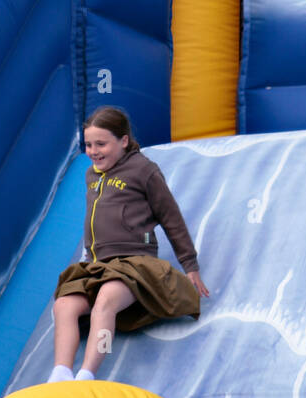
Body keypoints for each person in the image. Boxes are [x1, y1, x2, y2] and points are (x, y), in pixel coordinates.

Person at [47, 107, 209, 383]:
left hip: (134, 264)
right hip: (98, 265)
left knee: (105, 302)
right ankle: (61, 373)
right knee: (64, 305)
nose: (94, 151)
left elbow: (171, 217)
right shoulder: (92, 175)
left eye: (101, 144)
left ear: (123, 141)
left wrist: (189, 264)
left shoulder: (143, 170)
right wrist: (87, 256)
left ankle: (87, 374)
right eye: (88, 144)